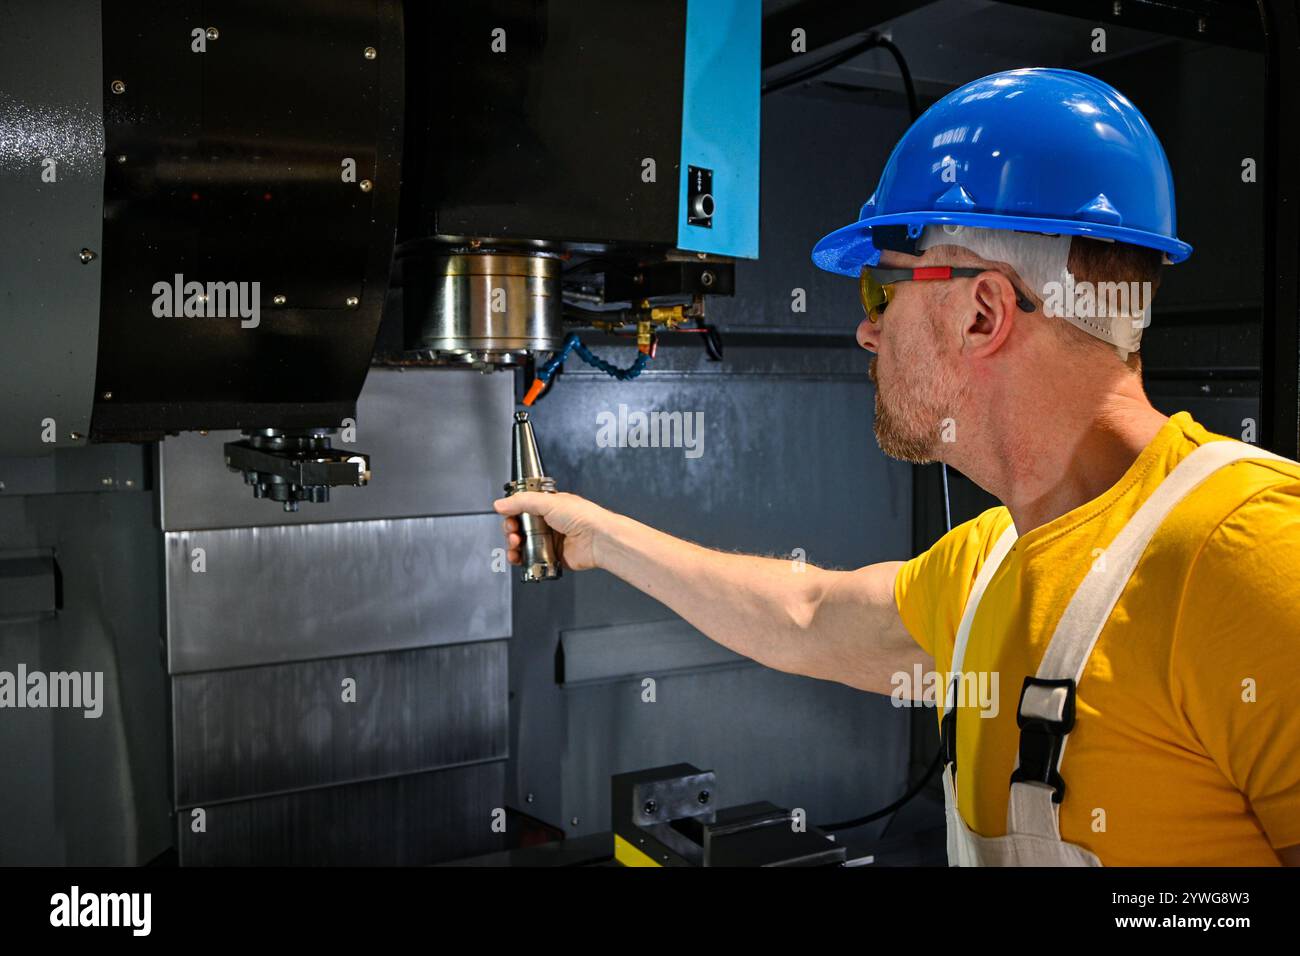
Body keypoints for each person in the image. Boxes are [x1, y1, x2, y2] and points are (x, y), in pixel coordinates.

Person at [495, 69, 1300, 866]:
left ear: (982, 312)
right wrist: (601, 538)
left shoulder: (1251, 560)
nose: (866, 333)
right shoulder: (990, 566)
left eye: (882, 293)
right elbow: (806, 614)